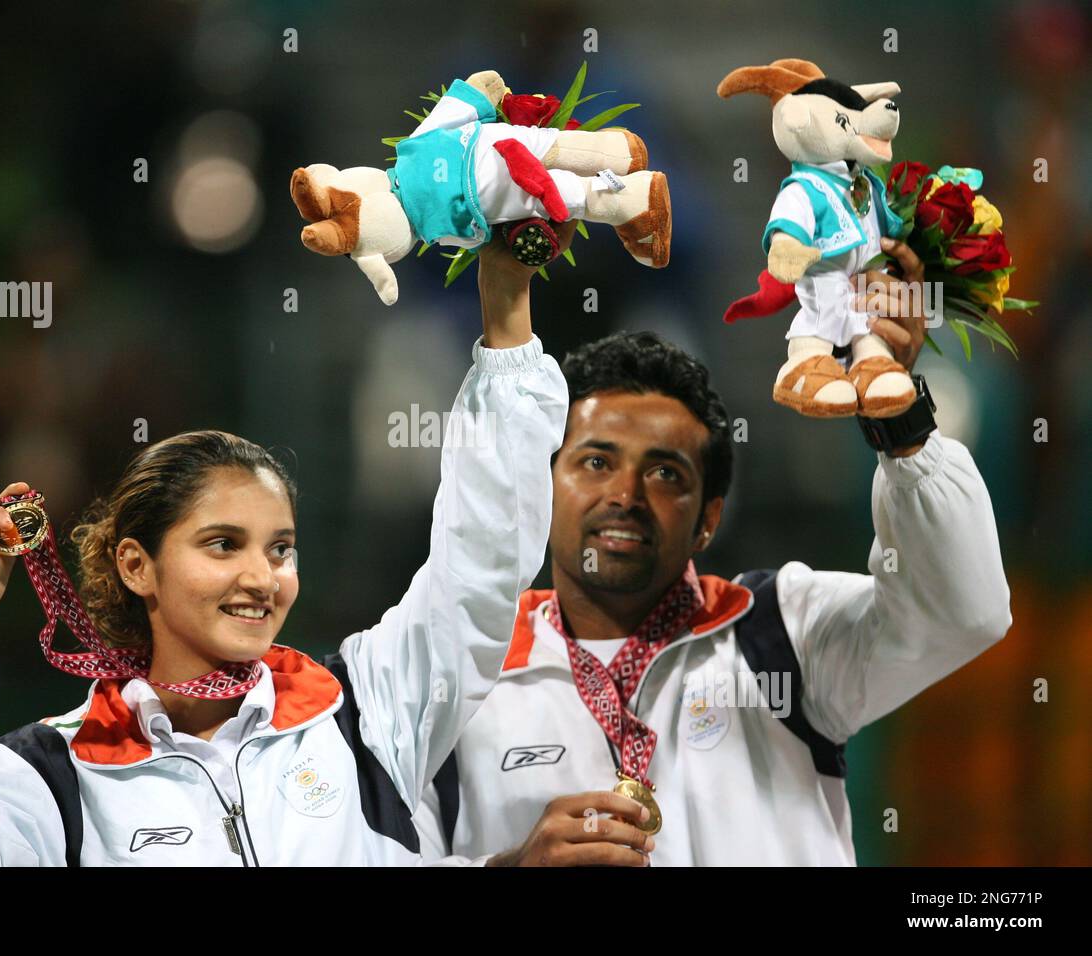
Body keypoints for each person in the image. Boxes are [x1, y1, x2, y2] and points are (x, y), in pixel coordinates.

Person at [0, 224, 573, 867]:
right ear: (137, 565)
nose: (263, 576)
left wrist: (507, 314)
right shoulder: (54, 775)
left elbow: (484, 560)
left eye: (281, 548)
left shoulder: (365, 710)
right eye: (224, 545)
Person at [414, 239, 1013, 866]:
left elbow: (964, 613)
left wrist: (902, 421)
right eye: (596, 462)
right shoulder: (461, 676)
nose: (625, 495)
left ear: (709, 520)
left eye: (666, 473)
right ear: (542, 487)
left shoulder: (782, 633)